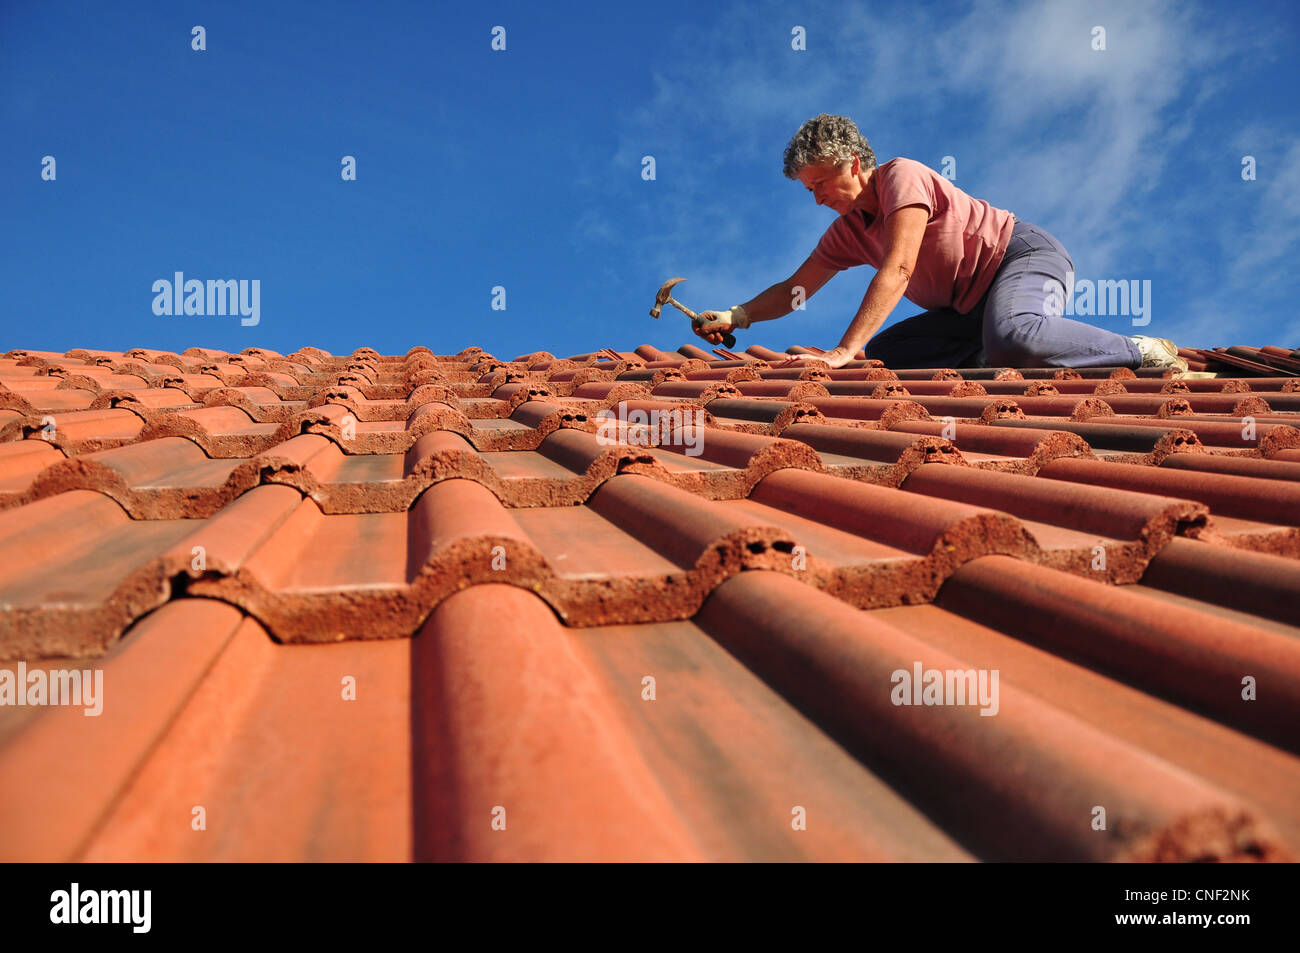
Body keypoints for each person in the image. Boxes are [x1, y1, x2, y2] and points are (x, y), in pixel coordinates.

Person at [693, 113, 1186, 373]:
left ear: (855, 165)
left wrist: (844, 349)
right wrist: (738, 315)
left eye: (820, 183)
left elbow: (900, 268)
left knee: (1014, 334)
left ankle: (1143, 351)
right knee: (887, 356)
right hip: (967, 311)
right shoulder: (847, 232)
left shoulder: (899, 178)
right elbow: (793, 290)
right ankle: (990, 355)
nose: (816, 198)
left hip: (1021, 258)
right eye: (809, 190)